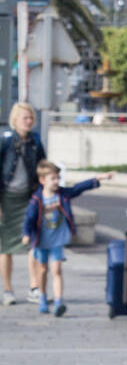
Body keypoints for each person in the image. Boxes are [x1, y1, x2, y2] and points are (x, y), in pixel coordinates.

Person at [21, 161, 114, 316]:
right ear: (42, 180)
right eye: (53, 179)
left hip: (57, 240)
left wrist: (99, 178)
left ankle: (58, 302)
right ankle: (43, 298)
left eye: (58, 178)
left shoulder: (63, 194)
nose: (57, 182)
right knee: (43, 270)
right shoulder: (36, 200)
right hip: (41, 241)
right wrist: (26, 234)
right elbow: (29, 219)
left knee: (57, 269)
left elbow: (79, 188)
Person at [0, 102, 46, 305]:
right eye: (24, 118)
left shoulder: (35, 141)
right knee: (6, 246)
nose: (29, 122)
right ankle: (8, 290)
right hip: (7, 198)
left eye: (31, 118)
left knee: (33, 244)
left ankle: (34, 287)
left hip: (30, 198)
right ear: (15, 120)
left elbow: (43, 168)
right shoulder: (5, 141)